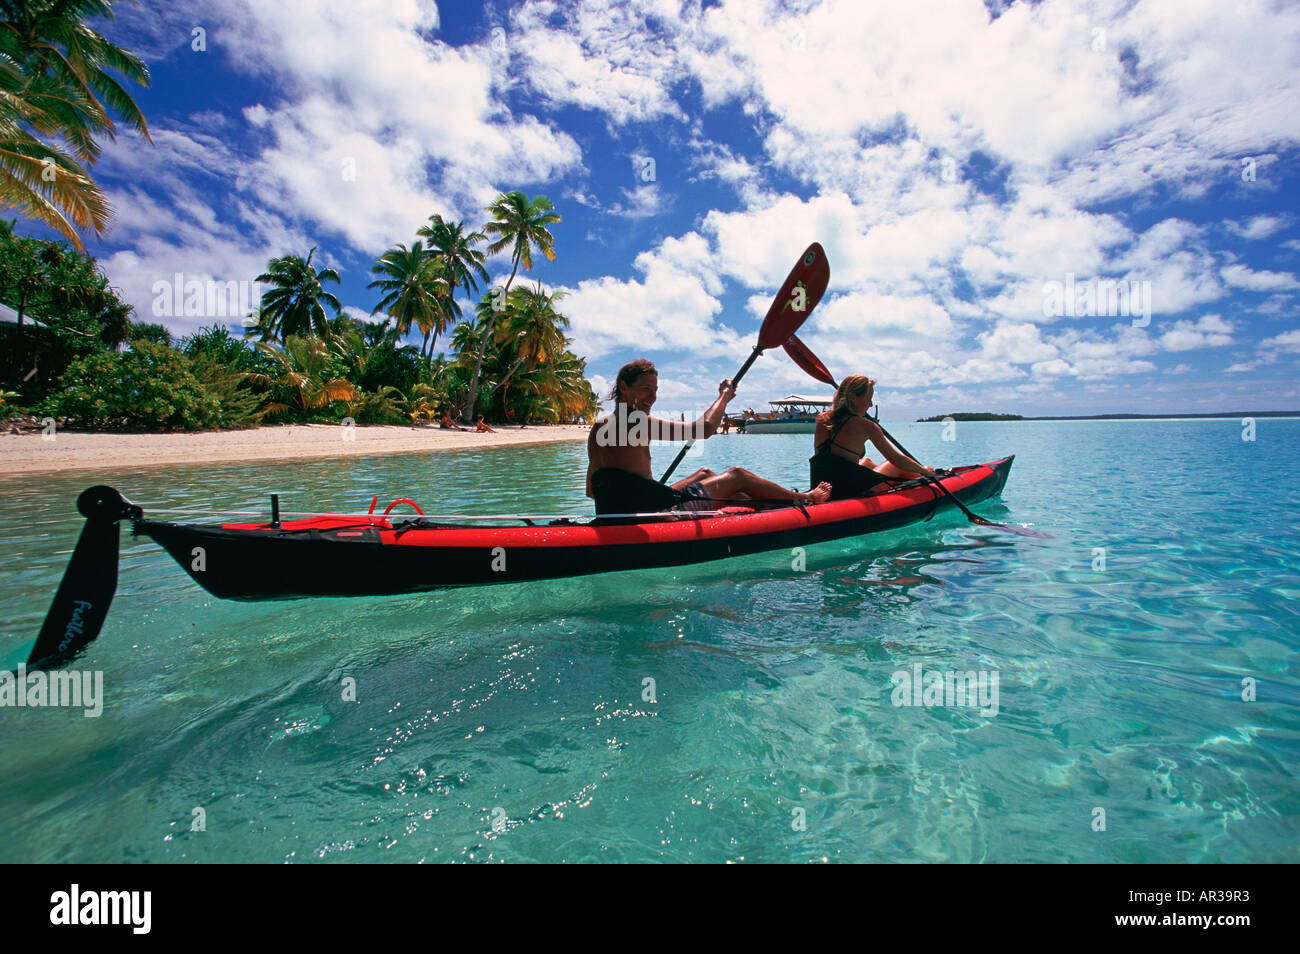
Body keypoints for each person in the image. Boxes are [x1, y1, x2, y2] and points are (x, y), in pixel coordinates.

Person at [586, 358, 831, 516]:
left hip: (627, 508)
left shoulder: (600, 426)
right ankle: (804, 499)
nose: (652, 397)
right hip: (651, 514)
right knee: (738, 475)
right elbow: (704, 428)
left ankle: (766, 509)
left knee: (705, 474)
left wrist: (643, 488)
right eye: (644, 390)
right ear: (623, 387)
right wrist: (725, 395)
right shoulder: (634, 421)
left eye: (655, 390)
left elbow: (591, 490)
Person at [810, 375, 935, 500]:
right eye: (868, 399)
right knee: (895, 466)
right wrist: (924, 471)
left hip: (820, 486)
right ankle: (927, 481)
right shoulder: (867, 426)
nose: (870, 405)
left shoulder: (821, 419)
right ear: (853, 398)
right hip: (847, 489)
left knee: (866, 462)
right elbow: (896, 459)